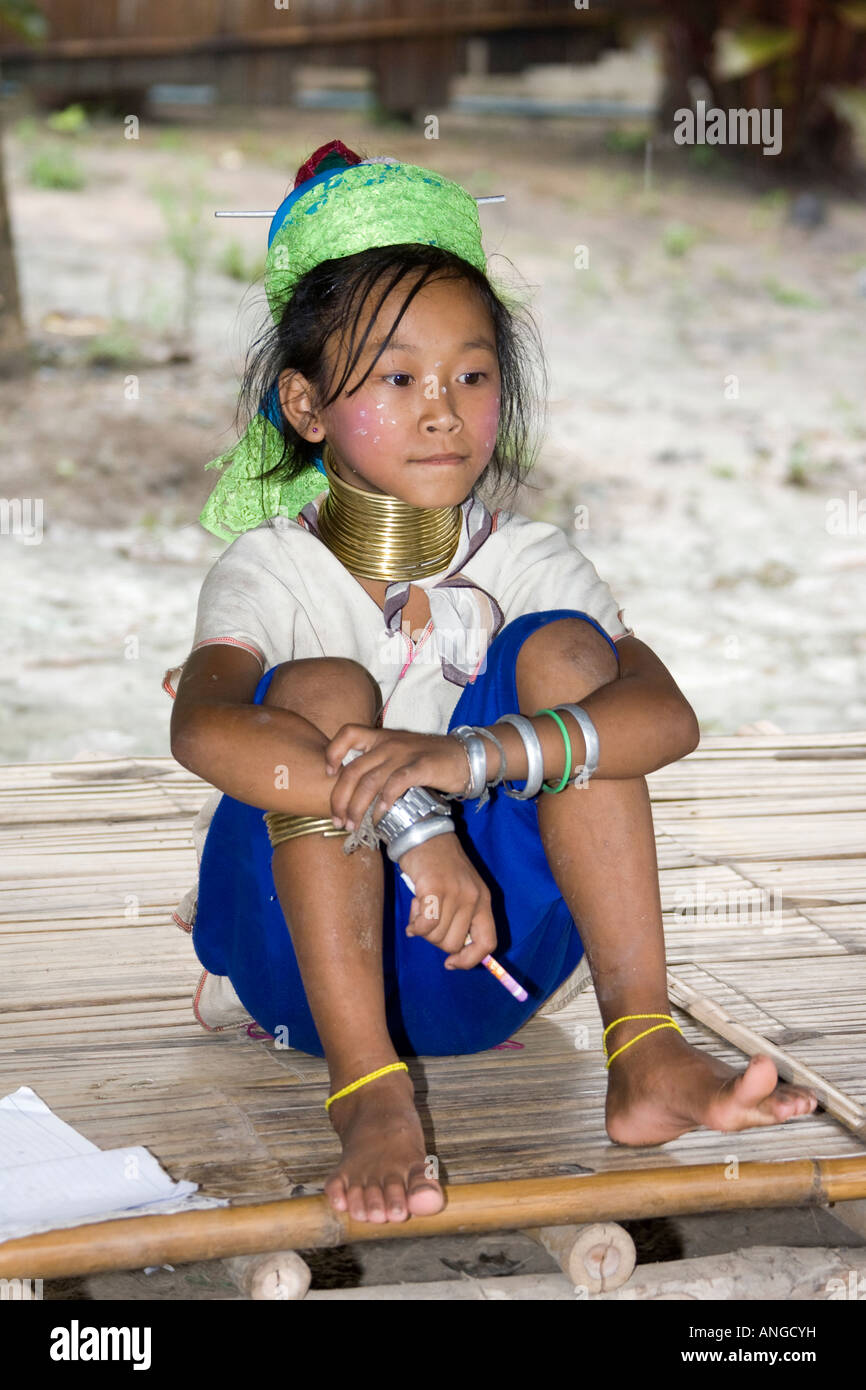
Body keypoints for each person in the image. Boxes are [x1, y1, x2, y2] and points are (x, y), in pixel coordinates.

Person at [166, 139, 818, 1226]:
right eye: (396, 377)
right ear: (305, 404)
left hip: (500, 964)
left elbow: (663, 719)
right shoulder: (273, 569)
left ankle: (642, 1045)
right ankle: (369, 1094)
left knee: (570, 659)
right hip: (307, 975)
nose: (441, 408)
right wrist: (415, 822)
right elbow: (202, 732)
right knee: (323, 686)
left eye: (470, 375)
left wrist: (470, 755)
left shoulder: (522, 559)